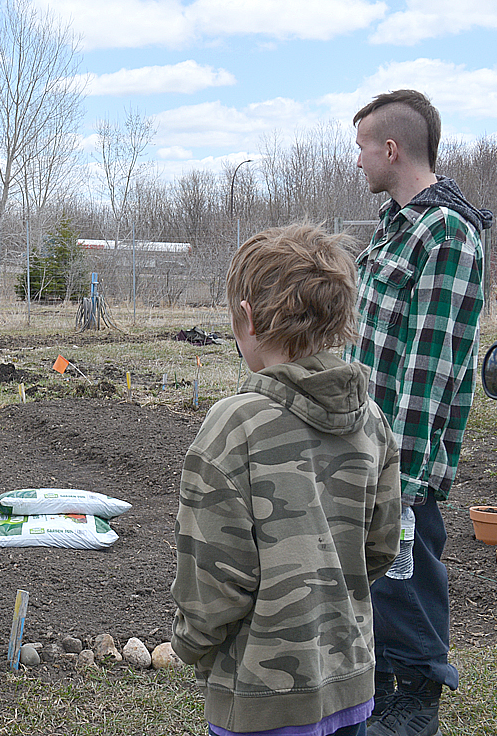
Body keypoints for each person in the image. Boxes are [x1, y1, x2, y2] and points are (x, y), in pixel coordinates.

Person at [172, 224, 402, 736]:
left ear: (247, 319)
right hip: (349, 686)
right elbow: (384, 548)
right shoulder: (373, 422)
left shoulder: (235, 427)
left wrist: (189, 645)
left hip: (260, 701)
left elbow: (213, 582)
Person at [348, 89, 493, 736]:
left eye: (360, 149)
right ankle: (379, 687)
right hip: (363, 442)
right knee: (374, 579)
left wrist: (395, 483)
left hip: (399, 455)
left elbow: (429, 370)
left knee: (406, 579)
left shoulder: (447, 235)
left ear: (390, 148)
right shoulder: (394, 226)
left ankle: (414, 701)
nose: (355, 163)